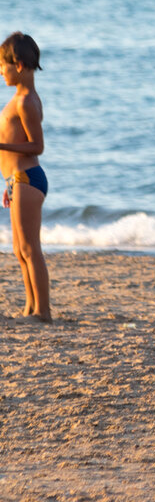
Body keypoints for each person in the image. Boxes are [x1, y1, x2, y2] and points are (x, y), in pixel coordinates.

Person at [1, 32, 50, 323]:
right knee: (19, 250)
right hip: (15, 181)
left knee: (31, 248)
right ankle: (30, 308)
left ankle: (43, 312)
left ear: (18, 65)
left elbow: (37, 146)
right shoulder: (18, 98)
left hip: (28, 178)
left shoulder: (27, 101)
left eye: (2, 66)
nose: (0, 72)